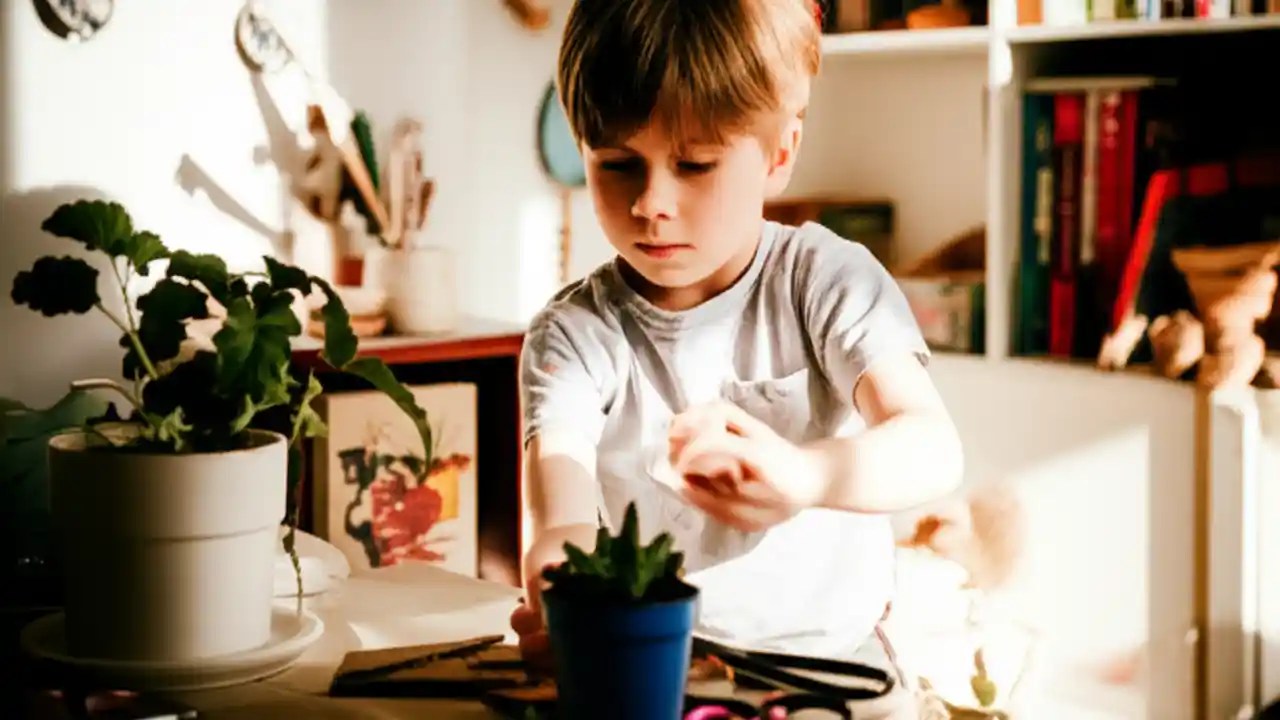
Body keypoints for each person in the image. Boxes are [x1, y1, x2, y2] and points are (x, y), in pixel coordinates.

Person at [511, 0, 964, 710]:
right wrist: (561, 596)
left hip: (838, 669)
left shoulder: (825, 279)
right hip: (666, 677)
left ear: (778, 155)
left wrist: (807, 476)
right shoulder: (573, 334)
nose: (651, 202)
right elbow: (561, 518)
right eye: (618, 163)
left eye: (694, 164)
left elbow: (933, 447)